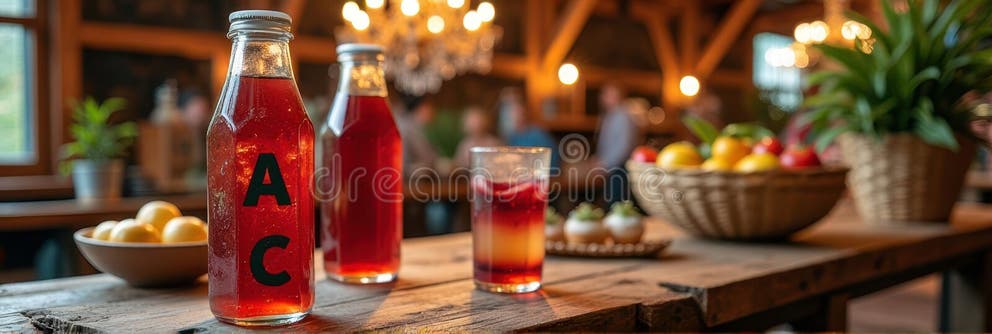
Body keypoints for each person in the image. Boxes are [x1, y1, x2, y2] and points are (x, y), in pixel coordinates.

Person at [594, 82, 641, 205]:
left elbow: (624, 147)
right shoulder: (612, 115)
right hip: (613, 168)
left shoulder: (623, 116)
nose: (606, 98)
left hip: (620, 169)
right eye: (606, 94)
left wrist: (604, 164)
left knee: (617, 205)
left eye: (610, 94)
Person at [499, 87, 560, 169]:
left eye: (514, 106)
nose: (508, 112)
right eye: (506, 107)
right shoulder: (507, 137)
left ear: (522, 110)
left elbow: (552, 166)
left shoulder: (539, 135)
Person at [395, 95, 440, 177]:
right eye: (430, 107)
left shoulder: (414, 127)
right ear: (421, 108)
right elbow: (427, 159)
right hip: (407, 181)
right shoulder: (408, 128)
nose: (433, 111)